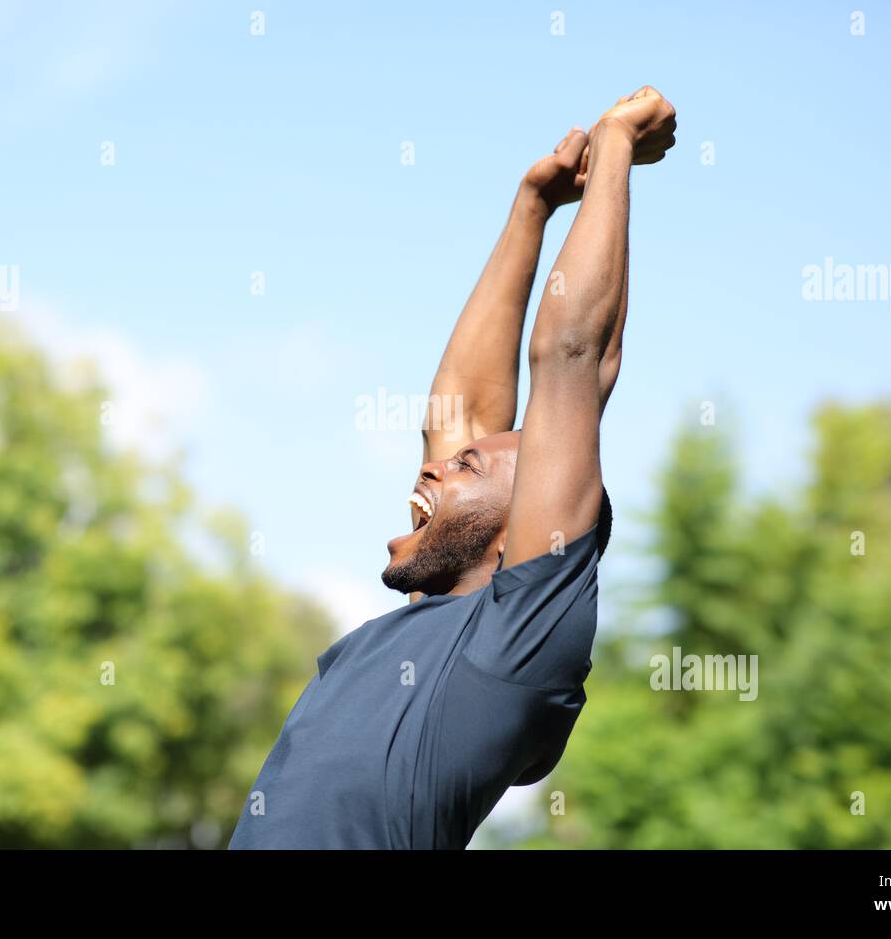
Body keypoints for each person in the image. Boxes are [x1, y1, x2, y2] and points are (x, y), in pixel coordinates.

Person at [229, 87, 677, 849]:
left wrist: (616, 148)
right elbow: (461, 414)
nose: (434, 469)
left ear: (523, 533)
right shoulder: (422, 637)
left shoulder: (515, 646)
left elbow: (575, 358)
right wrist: (532, 207)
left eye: (466, 468)